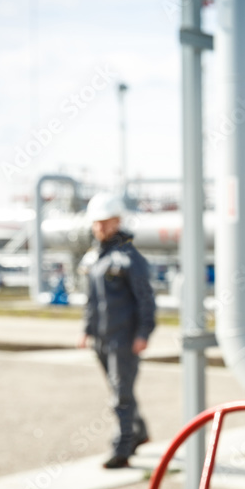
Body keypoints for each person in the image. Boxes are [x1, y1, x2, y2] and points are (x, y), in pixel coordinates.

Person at [77, 192, 156, 469]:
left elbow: (146, 299)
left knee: (120, 394)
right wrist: (86, 330)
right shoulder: (97, 258)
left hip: (124, 338)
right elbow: (92, 300)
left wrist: (143, 334)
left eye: (105, 223)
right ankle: (140, 432)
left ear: (117, 221)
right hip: (101, 337)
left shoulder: (129, 257)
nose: (100, 228)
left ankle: (122, 448)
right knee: (119, 389)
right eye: (96, 223)